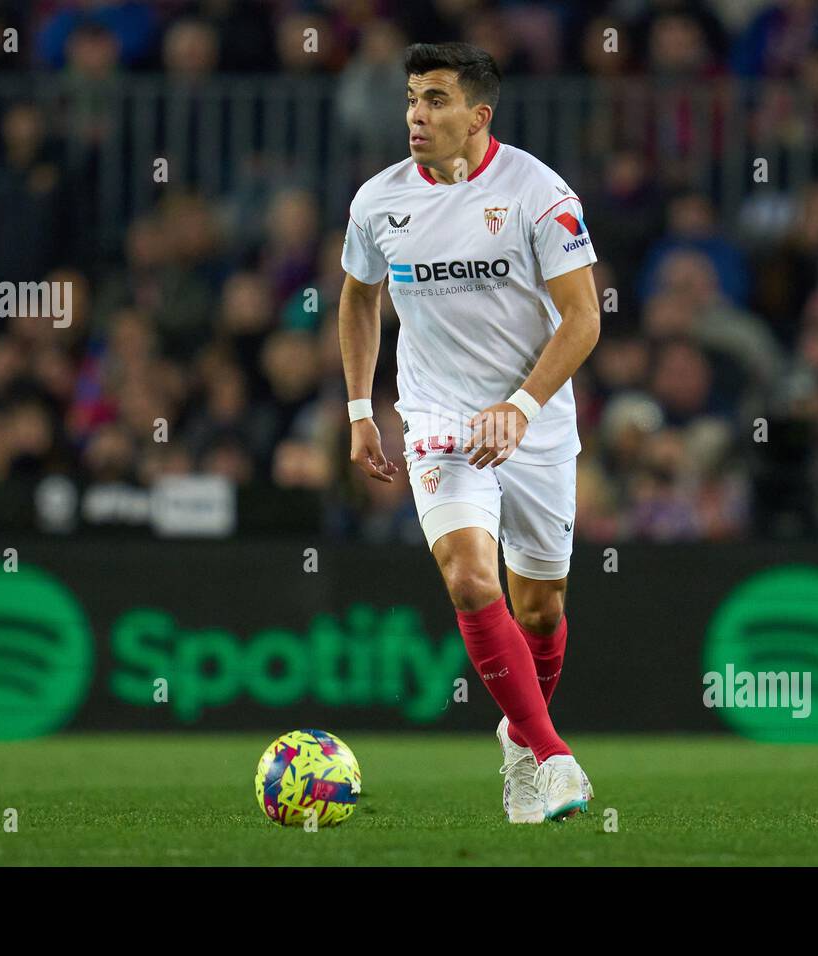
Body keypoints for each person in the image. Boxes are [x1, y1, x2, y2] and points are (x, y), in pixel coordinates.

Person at [338, 42, 600, 822]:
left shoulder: (538, 193)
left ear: (479, 116)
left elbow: (583, 320)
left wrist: (520, 407)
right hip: (440, 419)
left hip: (536, 418)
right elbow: (357, 300)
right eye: (413, 98)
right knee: (467, 578)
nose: (417, 114)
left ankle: (520, 744)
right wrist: (360, 410)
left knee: (541, 608)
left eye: (438, 100)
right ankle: (555, 759)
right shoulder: (377, 201)